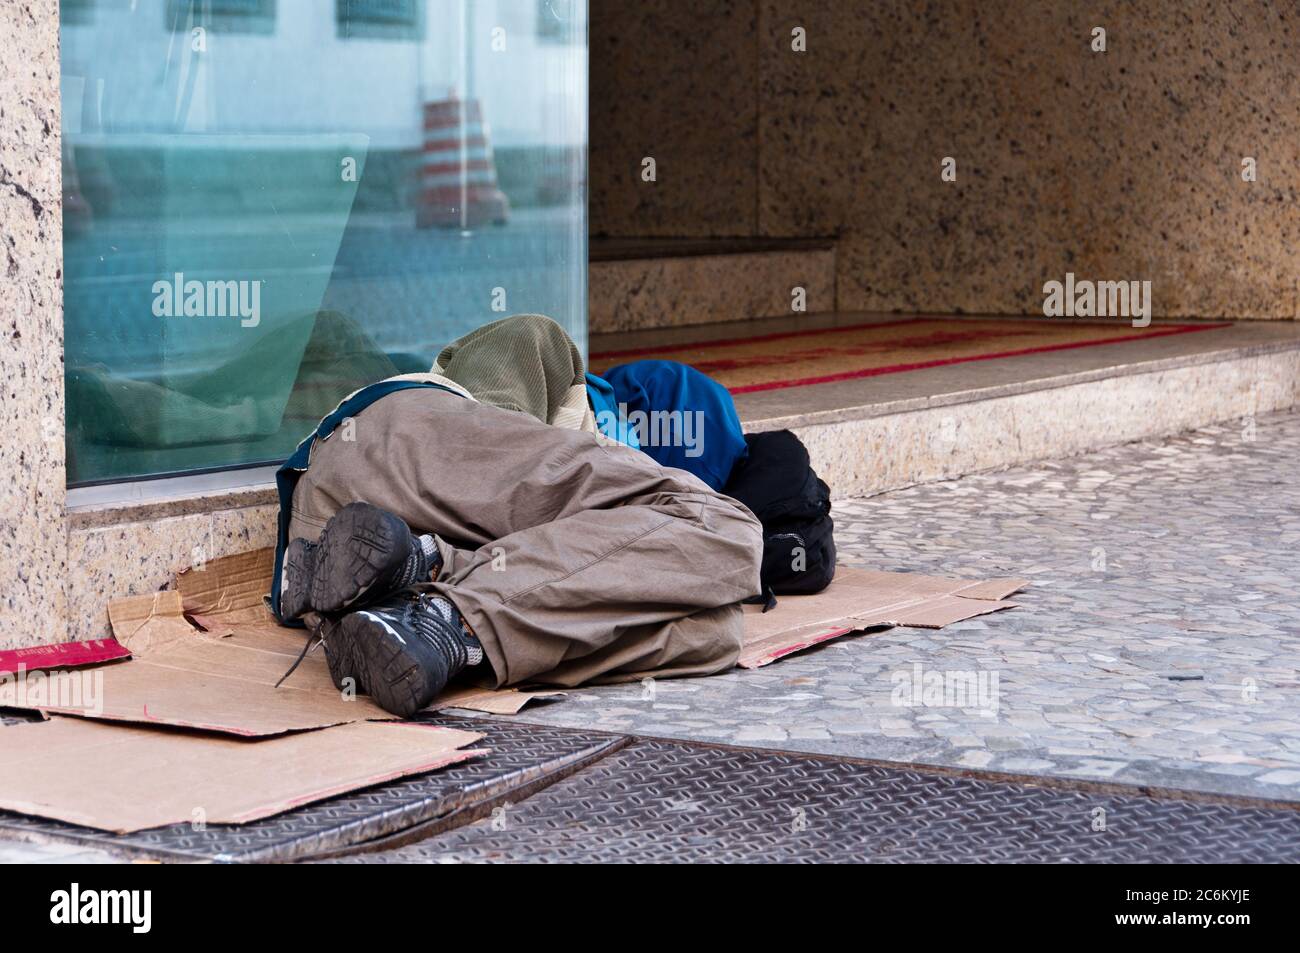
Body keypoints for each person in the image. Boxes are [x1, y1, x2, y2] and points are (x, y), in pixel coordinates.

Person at [273, 315, 763, 717]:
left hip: (348, 540)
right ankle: (448, 608)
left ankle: (420, 602)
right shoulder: (540, 365)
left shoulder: (606, 504)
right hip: (391, 449)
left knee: (717, 632)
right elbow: (519, 355)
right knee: (724, 527)